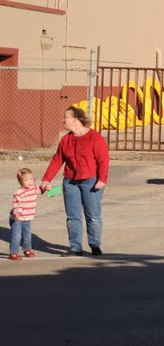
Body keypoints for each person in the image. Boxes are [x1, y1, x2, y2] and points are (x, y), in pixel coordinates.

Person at [40, 107, 110, 256]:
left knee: (93, 215)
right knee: (73, 216)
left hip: (91, 181)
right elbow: (57, 160)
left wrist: (102, 179)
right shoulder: (66, 139)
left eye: (66, 117)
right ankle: (75, 247)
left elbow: (103, 160)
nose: (63, 120)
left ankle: (95, 245)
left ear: (76, 119)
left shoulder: (94, 137)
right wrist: (46, 179)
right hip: (70, 181)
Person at [9, 168, 38, 259]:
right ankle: (13, 252)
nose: (30, 182)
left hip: (27, 218)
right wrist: (18, 214)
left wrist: (47, 189)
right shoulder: (19, 193)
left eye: (31, 179)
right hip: (17, 219)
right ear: (21, 181)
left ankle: (27, 249)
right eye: (27, 180)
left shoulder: (34, 188)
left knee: (27, 235)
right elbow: (17, 204)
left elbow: (41, 190)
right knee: (17, 236)